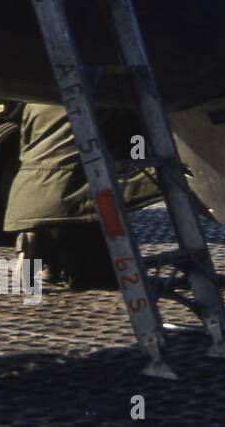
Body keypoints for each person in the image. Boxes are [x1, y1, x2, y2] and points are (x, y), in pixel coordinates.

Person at [8, 102, 162, 290]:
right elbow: (135, 145)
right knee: (99, 277)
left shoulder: (33, 101)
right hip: (76, 197)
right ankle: (56, 258)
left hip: (25, 196)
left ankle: (43, 249)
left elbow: (24, 145)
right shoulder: (109, 96)